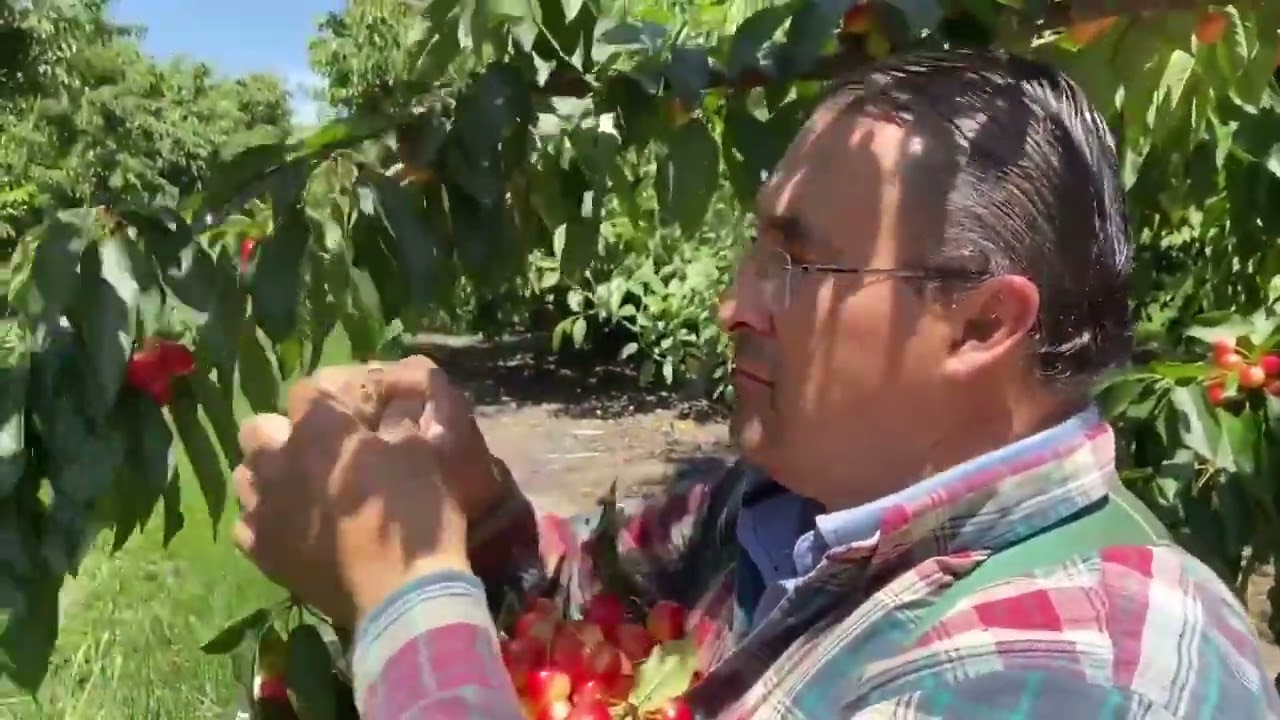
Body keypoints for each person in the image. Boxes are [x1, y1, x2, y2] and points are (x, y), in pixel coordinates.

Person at [230, 49, 1280, 718]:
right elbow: (593, 623)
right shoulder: (782, 510)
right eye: (751, 250)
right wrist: (484, 511)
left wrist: (405, 601)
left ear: (980, 323)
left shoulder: (1076, 674)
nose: (735, 303)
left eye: (796, 262)